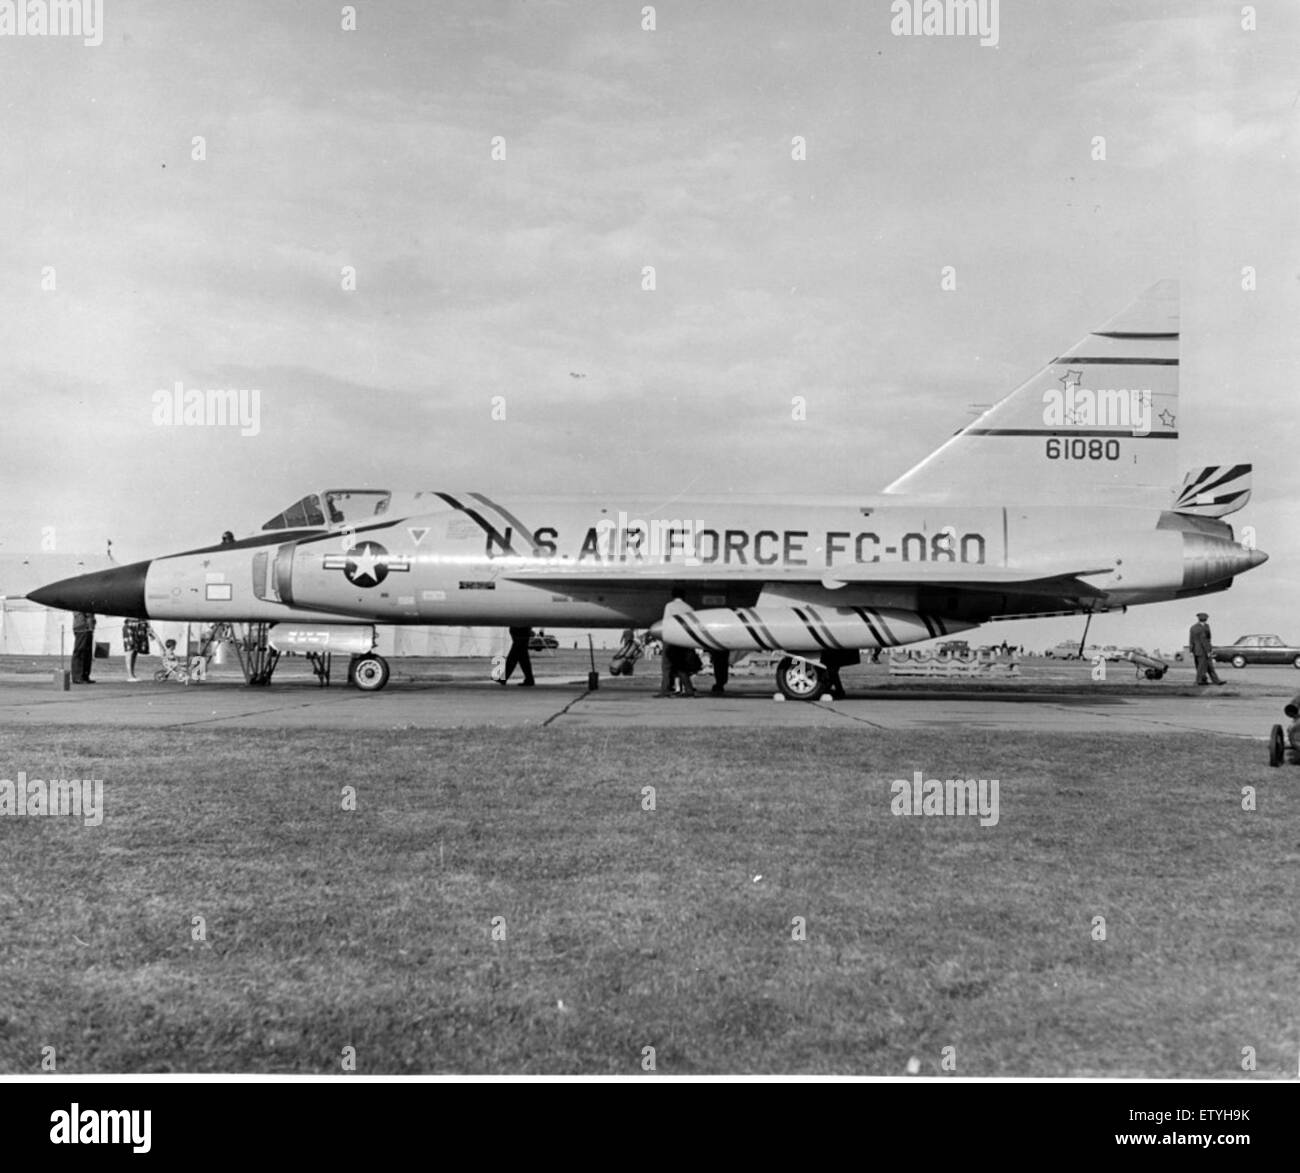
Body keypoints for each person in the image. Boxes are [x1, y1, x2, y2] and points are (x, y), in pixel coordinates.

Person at [657, 589, 696, 698]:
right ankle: (689, 690)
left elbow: (666, 622)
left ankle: (665, 690)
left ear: (673, 595)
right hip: (683, 640)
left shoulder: (670, 606)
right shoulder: (689, 607)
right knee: (681, 667)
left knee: (666, 666)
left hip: (671, 639)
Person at [1189, 612, 1224, 686]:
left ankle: (1214, 681)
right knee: (1203, 667)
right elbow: (1205, 640)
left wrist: (1191, 650)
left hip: (1197, 650)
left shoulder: (1193, 627)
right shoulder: (1204, 627)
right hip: (1203, 650)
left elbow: (1191, 640)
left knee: (1204, 666)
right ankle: (1199, 681)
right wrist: (1208, 651)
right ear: (1205, 619)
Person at [71, 611, 97, 683]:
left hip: (87, 627)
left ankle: (85, 676)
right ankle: (78, 677)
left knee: (87, 653)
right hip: (82, 627)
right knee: (80, 652)